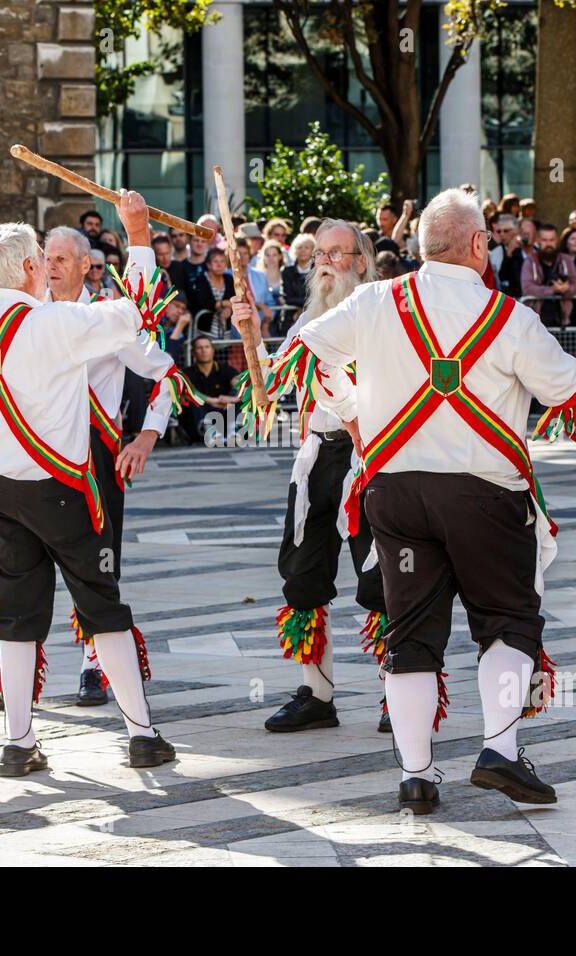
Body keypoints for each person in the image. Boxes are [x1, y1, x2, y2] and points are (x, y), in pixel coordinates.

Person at [258, 188, 576, 813]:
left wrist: (353, 412)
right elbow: (568, 391)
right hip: (486, 498)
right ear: (479, 245)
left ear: (424, 245)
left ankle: (417, 775)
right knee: (507, 622)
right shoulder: (509, 317)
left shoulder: (377, 300)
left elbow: (301, 350)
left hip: (395, 496)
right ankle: (500, 753)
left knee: (410, 636)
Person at [0, 200, 177, 777]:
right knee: (102, 607)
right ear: (27, 270)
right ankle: (142, 736)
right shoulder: (55, 323)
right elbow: (137, 311)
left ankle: (18, 744)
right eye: (41, 261)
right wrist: (140, 234)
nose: (47, 270)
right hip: (62, 490)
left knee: (17, 617)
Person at [0, 222, 202, 709]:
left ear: (87, 265)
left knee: (97, 565)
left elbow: (166, 372)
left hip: (95, 458)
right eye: (47, 258)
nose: (52, 267)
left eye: (62, 259)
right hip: (28, 453)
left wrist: (146, 436)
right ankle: (11, 670)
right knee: (14, 570)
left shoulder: (106, 320)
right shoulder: (20, 318)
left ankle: (94, 666)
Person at [231, 219, 392, 736]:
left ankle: (399, 692)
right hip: (317, 455)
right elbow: (269, 387)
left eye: (336, 253)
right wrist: (250, 332)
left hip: (369, 457)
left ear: (361, 261)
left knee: (381, 577)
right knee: (302, 573)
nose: (324, 262)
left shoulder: (378, 313)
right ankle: (317, 693)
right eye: (318, 253)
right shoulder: (308, 319)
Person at [181, 335, 239, 442]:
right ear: (193, 353)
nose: (204, 351)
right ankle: (210, 432)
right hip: (201, 417)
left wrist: (232, 399)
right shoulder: (187, 373)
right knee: (193, 402)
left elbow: (241, 387)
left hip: (224, 412)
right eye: (199, 348)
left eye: (207, 347)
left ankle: (233, 432)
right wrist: (211, 401)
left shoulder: (226, 369)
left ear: (213, 350)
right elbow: (187, 392)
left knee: (236, 401)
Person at [521, 223, 576, 327]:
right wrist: (553, 290)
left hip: (563, 319)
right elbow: (527, 288)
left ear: (557, 241)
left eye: (552, 240)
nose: (548, 244)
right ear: (538, 241)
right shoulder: (530, 261)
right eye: (544, 240)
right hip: (536, 321)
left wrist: (566, 288)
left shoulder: (566, 260)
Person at [189, 248, 236, 336]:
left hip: (225, 331)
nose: (219, 265)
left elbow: (233, 300)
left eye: (222, 261)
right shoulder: (201, 280)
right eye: (215, 261)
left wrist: (229, 309)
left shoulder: (229, 279)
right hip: (205, 332)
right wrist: (224, 303)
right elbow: (204, 303)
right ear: (208, 265)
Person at [280, 233, 316, 314]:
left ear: (312, 251)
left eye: (307, 247)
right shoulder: (287, 271)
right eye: (299, 247)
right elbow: (287, 298)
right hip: (290, 317)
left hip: (314, 314)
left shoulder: (318, 271)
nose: (303, 250)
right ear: (295, 250)